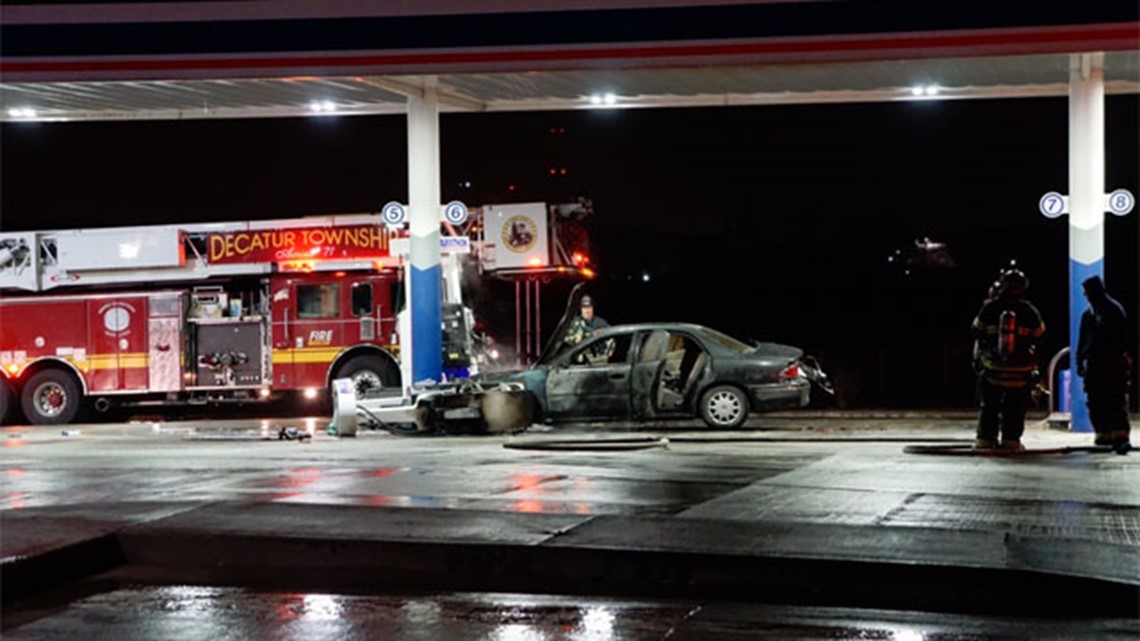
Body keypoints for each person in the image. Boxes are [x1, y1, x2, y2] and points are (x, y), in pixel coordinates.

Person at [970, 267, 1046, 450]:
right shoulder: (1029, 311)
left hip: (992, 370)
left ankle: (985, 440)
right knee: (1015, 409)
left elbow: (975, 331)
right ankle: (1011, 441)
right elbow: (1041, 336)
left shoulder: (990, 308)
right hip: (1019, 374)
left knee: (990, 407)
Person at [1076, 276, 1132, 454]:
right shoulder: (1088, 314)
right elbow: (1082, 340)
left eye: (1087, 292)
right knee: (1095, 400)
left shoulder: (1114, 310)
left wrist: (1112, 359)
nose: (1086, 295)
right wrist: (1079, 360)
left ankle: (1120, 436)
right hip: (1094, 364)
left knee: (1115, 400)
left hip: (1112, 364)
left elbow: (1121, 339)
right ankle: (1103, 435)